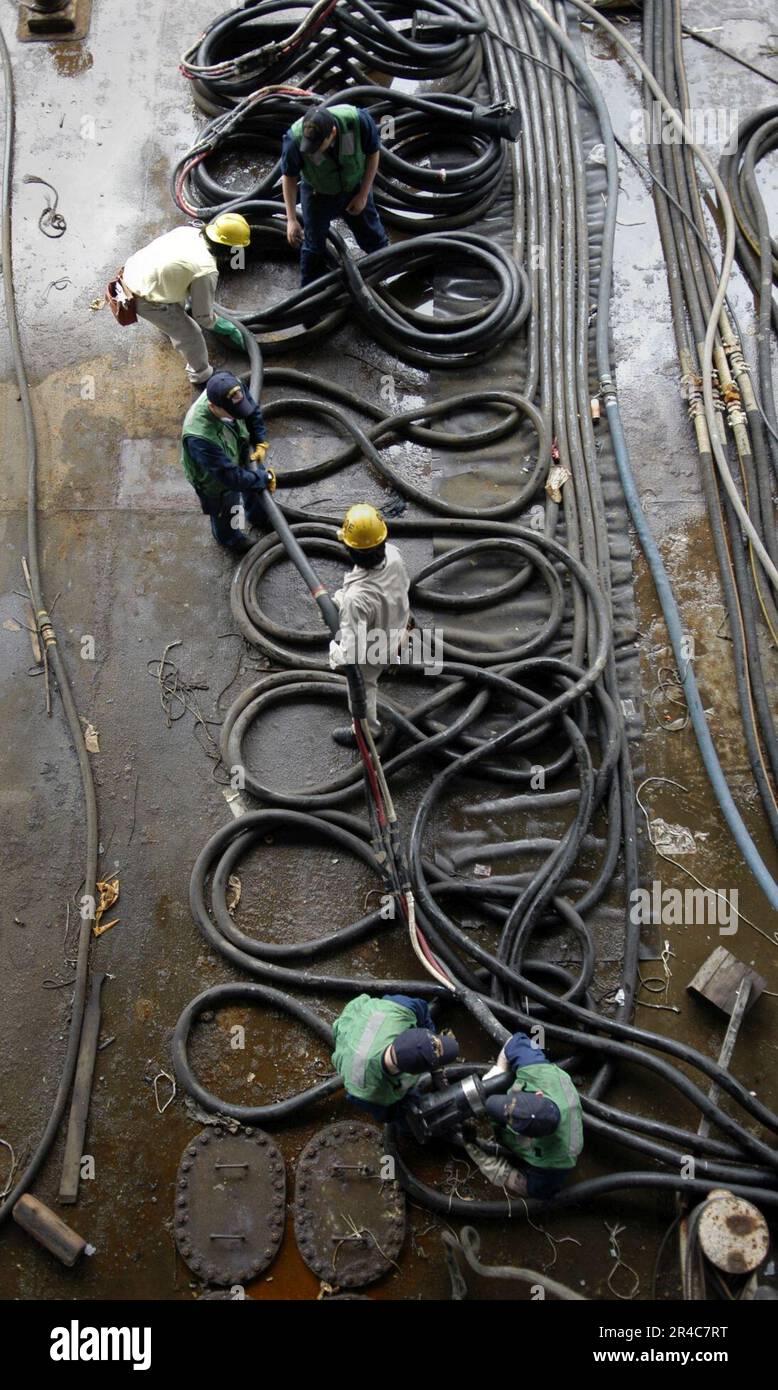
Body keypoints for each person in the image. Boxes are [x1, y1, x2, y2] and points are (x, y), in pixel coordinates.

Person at [121, 214, 251, 384]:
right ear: (228, 249)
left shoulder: (188, 231)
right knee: (191, 335)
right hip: (144, 297)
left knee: (178, 291)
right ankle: (201, 374)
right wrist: (226, 327)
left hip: (133, 270)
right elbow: (203, 317)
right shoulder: (206, 269)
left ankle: (167, 325)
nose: (238, 253)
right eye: (236, 249)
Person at [464, 1030, 583, 1200]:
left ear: (528, 1135)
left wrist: (491, 1164)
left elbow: (533, 1189)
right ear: (538, 1094)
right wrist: (499, 1068)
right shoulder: (542, 1074)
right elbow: (515, 1040)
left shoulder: (558, 1160)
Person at [328, 504, 410, 748]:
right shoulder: (394, 554)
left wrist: (334, 651)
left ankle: (368, 732)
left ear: (350, 550)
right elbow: (401, 587)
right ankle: (395, 663)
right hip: (400, 628)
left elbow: (351, 655)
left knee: (363, 686)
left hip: (375, 652)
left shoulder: (356, 600)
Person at [281, 104, 388, 286]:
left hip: (354, 186)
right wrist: (291, 219)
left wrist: (363, 195)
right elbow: (289, 177)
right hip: (317, 193)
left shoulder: (357, 121)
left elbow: (373, 154)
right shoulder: (294, 139)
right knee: (313, 247)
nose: (313, 150)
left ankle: (384, 276)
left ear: (332, 133)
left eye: (317, 145)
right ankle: (309, 295)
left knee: (374, 238)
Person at [180, 371, 274, 555]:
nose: (238, 416)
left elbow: (252, 411)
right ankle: (231, 539)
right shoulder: (199, 436)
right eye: (232, 414)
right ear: (213, 406)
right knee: (229, 509)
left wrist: (259, 439)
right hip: (216, 482)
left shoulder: (233, 388)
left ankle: (259, 517)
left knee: (255, 488)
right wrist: (264, 477)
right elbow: (229, 477)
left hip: (238, 451)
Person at [331, 993, 459, 1122]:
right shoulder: (367, 1088)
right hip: (349, 1033)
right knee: (400, 1116)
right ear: (413, 1073)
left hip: (368, 1013)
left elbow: (423, 1012)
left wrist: (436, 1071)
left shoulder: (402, 1008)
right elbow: (383, 1112)